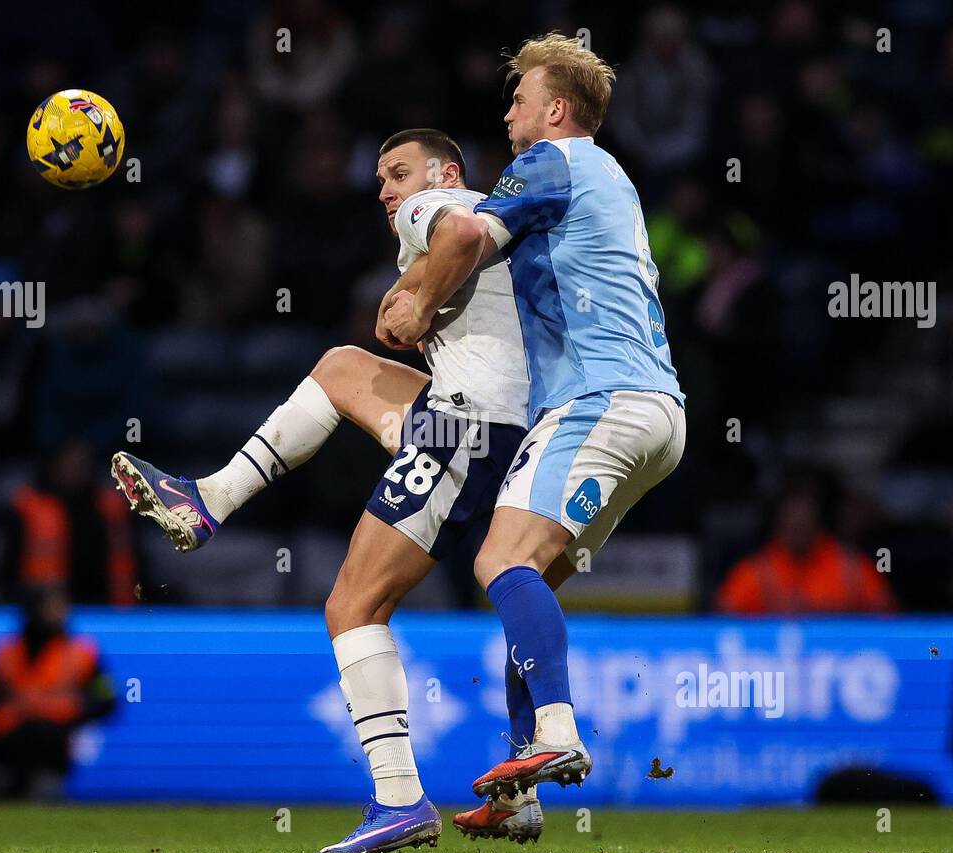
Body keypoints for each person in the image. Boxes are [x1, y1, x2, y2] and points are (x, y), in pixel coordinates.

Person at [111, 128, 554, 853]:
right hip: (522, 434)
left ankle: (399, 799)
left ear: (444, 172)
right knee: (345, 367)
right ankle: (212, 499)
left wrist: (411, 299)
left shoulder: (440, 207)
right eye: (380, 177)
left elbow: (457, 235)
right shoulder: (512, 217)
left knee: (354, 604)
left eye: (399, 172)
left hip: (461, 426)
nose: (386, 189)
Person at [380, 34, 687, 801]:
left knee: (497, 562)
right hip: (658, 416)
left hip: (599, 401)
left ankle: (556, 733)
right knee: (531, 578)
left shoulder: (551, 159)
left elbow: (465, 233)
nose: (509, 111)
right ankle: (517, 799)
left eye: (520, 99)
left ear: (555, 109)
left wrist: (416, 302)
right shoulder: (612, 179)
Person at [0, 587, 116, 799]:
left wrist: (72, 722)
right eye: (53, 607)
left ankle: (38, 783)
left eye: (63, 607)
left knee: (40, 731)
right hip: (9, 737)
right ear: (34, 610)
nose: (60, 613)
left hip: (51, 738)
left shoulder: (83, 652)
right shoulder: (6, 651)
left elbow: (108, 700)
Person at [715, 479, 896, 614]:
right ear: (779, 524)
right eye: (792, 522)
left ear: (818, 523)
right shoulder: (757, 570)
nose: (799, 527)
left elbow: (886, 613)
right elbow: (724, 619)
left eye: (805, 521)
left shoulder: (850, 567)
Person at [4, 439, 139, 605]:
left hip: (105, 609)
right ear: (54, 465)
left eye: (82, 465)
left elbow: (133, 564)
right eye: (69, 464)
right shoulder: (26, 507)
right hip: (44, 612)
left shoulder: (112, 509)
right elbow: (9, 567)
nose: (75, 471)